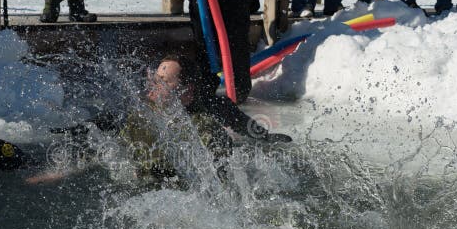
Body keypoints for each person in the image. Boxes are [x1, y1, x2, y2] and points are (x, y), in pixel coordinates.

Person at [30, 55, 291, 183]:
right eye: (154, 80)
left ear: (186, 91)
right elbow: (105, 132)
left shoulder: (207, 111)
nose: (153, 89)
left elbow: (241, 127)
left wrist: (267, 138)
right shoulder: (143, 110)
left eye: (164, 83)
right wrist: (61, 170)